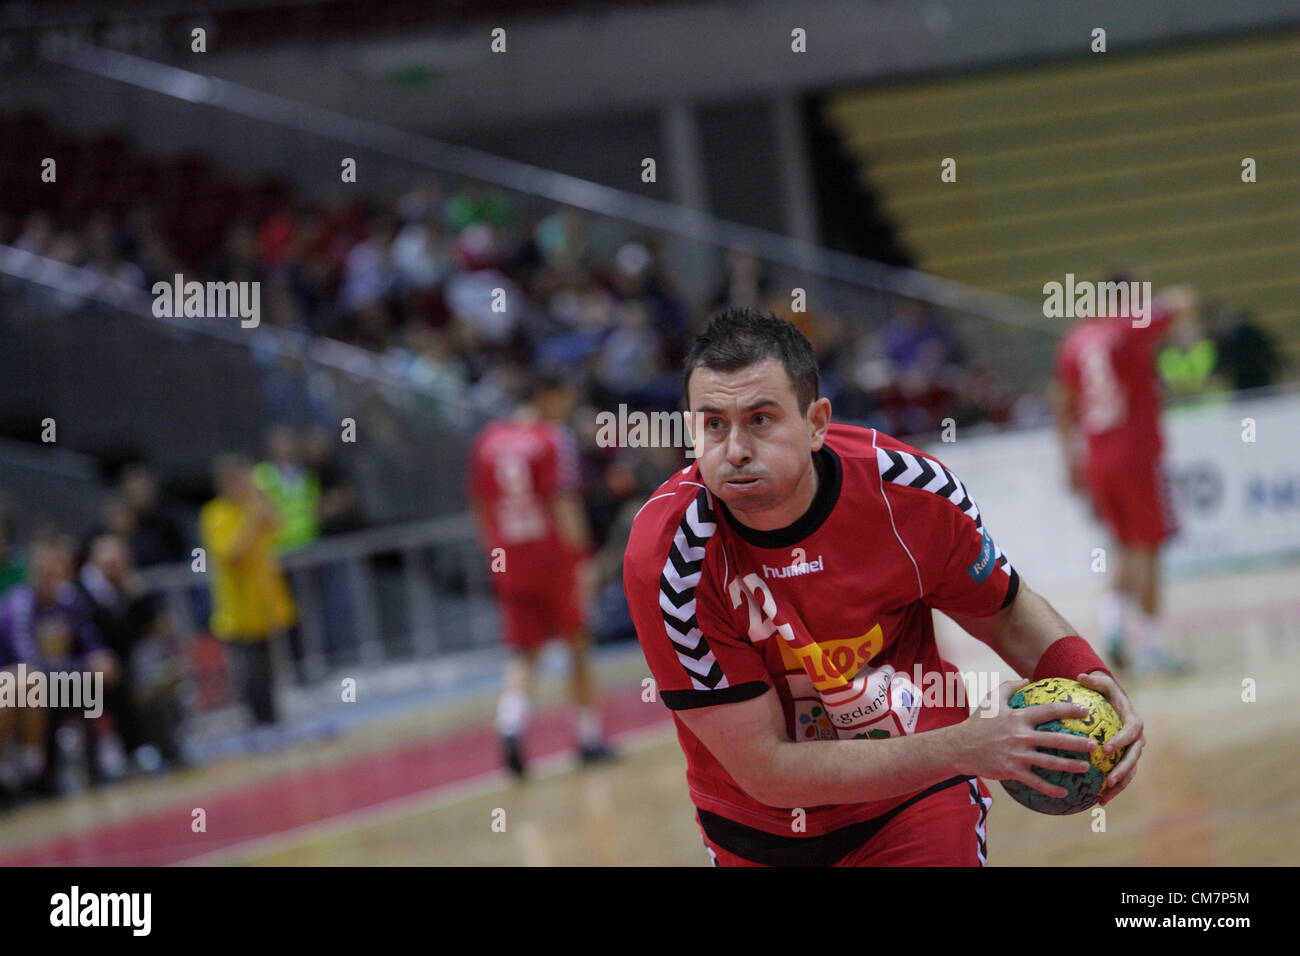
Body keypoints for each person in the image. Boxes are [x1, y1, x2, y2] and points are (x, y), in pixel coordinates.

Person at [622, 308, 1145, 867]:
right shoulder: (670, 559)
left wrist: (1090, 682)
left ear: (816, 423)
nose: (735, 450)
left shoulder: (911, 491)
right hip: (760, 829)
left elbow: (1005, 611)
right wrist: (967, 745)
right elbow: (767, 770)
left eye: (760, 419)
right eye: (713, 425)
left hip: (917, 796)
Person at [468, 370, 617, 778]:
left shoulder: (488, 440)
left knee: (523, 651)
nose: (568, 406)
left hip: (509, 558)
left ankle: (510, 722)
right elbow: (563, 500)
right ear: (547, 395)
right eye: (565, 397)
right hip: (553, 557)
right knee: (578, 644)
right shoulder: (553, 438)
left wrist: (495, 554)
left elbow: (480, 507)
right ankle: (588, 738)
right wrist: (582, 559)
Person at [1055, 282, 1197, 676]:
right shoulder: (1128, 326)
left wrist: (1070, 462)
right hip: (1136, 455)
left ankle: (1113, 624)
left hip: (1097, 458)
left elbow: (1063, 408)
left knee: (1124, 545)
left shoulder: (1073, 343)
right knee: (1149, 546)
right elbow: (1182, 299)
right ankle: (1150, 646)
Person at [0, 534, 119, 798]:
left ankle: (97, 760)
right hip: (15, 682)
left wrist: (99, 657)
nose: (50, 577)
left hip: (55, 680)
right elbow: (27, 660)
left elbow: (90, 641)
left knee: (96, 676)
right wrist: (81, 667)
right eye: (44, 571)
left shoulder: (69, 601)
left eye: (55, 571)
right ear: (33, 572)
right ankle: (28, 770)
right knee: (27, 683)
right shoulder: (19, 606)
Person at [199, 454, 296, 730]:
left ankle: (274, 721)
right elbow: (232, 555)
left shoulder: (254, 507)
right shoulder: (215, 514)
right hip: (238, 610)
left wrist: (264, 506)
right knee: (250, 672)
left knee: (269, 668)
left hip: (265, 605)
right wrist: (252, 521)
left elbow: (280, 529)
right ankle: (259, 723)